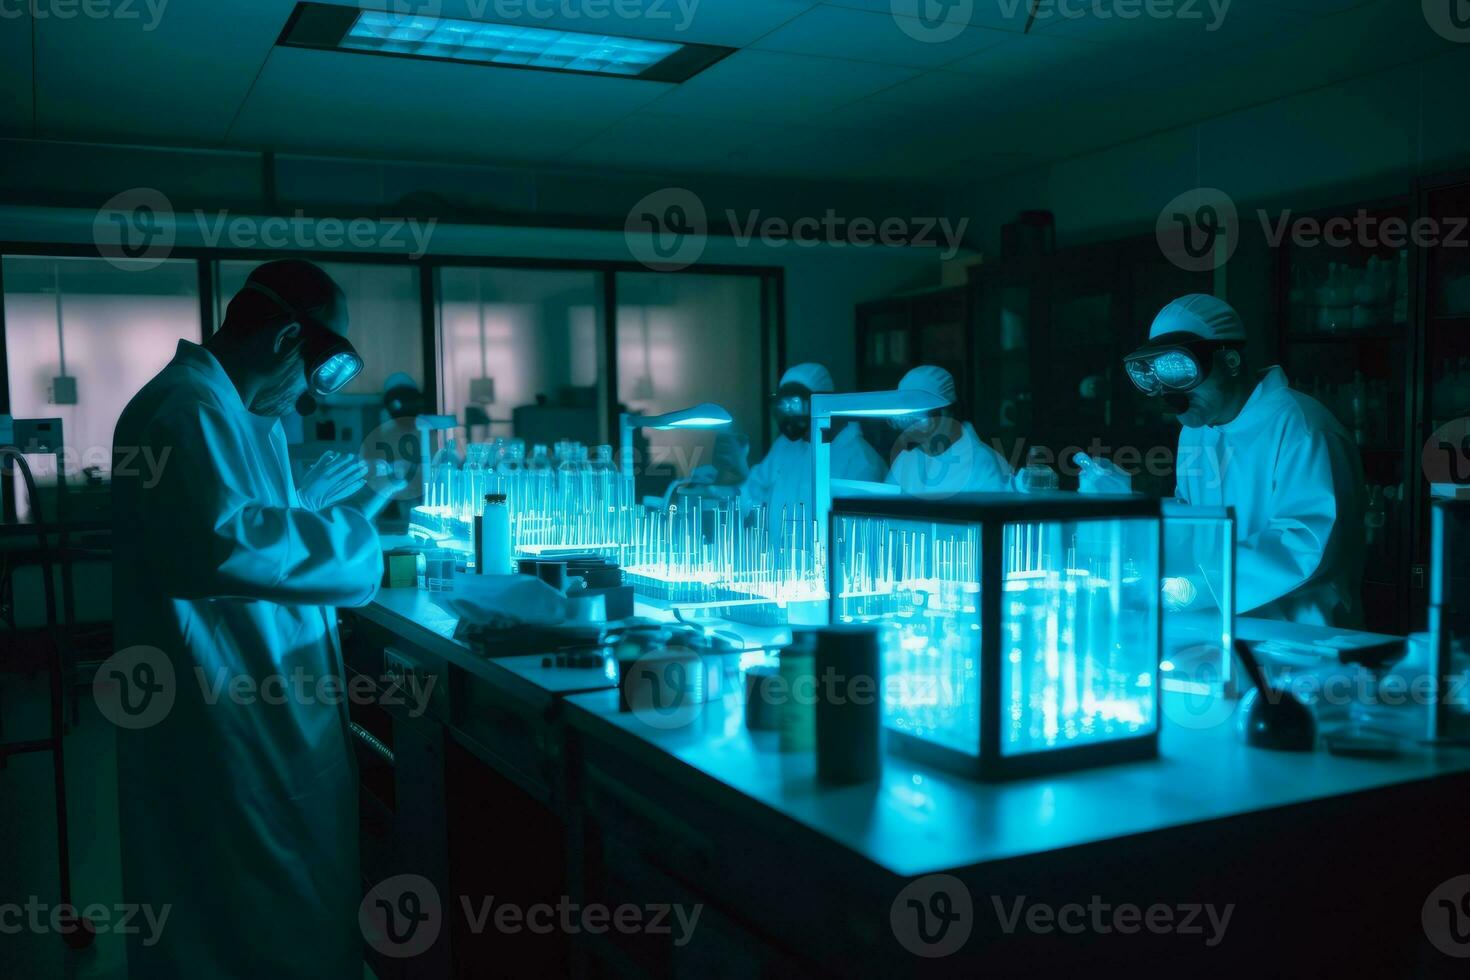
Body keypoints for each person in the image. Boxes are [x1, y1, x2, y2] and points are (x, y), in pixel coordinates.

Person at [111, 260, 401, 979]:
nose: (306, 401)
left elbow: (253, 531)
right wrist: (357, 537)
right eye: (310, 374)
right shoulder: (187, 409)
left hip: (261, 703)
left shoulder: (239, 414)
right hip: (224, 714)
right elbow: (220, 542)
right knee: (243, 901)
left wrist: (316, 512)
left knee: (280, 893)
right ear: (281, 340)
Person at [1123, 293, 1365, 626]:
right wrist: (1130, 521)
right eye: (1162, 377)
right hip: (1219, 627)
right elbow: (1196, 520)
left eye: (1182, 373)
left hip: (1302, 634)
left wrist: (1203, 586)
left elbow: (1307, 542)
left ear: (1230, 361)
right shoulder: (1197, 431)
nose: (1173, 396)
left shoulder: (1302, 427)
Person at [716, 362, 887, 520]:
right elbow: (751, 496)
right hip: (778, 552)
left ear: (823, 403)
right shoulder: (785, 446)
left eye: (795, 405)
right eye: (783, 407)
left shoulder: (861, 461)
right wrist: (726, 481)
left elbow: (857, 531)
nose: (789, 415)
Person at [886, 365, 1013, 496]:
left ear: (949, 412)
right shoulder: (907, 459)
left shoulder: (980, 461)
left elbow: (987, 513)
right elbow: (885, 504)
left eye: (920, 415)